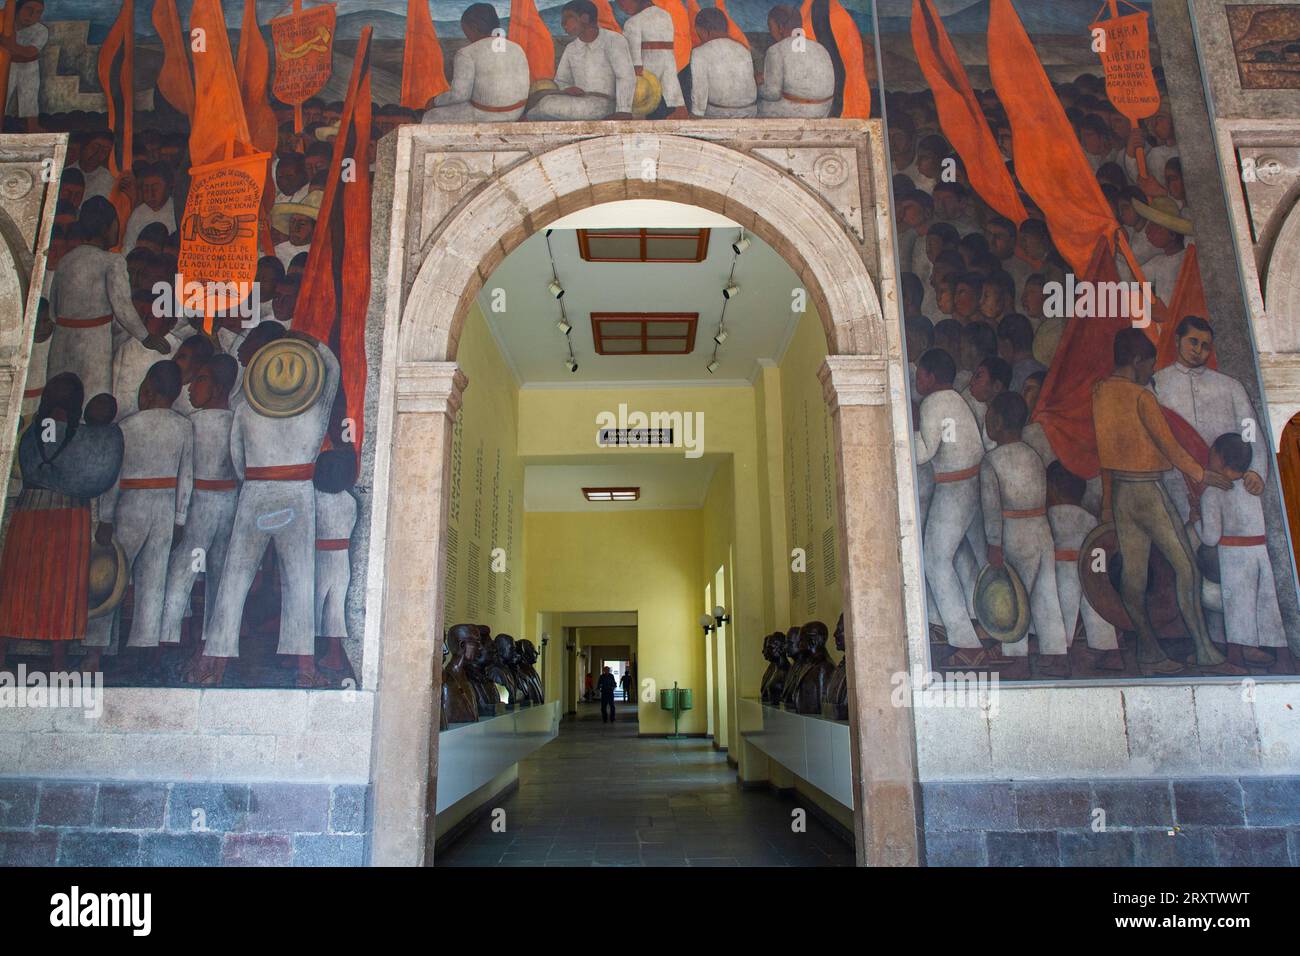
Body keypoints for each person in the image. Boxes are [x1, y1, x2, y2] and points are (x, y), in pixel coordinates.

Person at [1091, 328, 1241, 676]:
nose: (1150, 372)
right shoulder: (1142, 397)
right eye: (1149, 364)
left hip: (1122, 495)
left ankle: (1149, 651)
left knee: (1134, 576)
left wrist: (1106, 501)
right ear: (1137, 360)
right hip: (1149, 492)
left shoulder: (1099, 392)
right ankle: (1203, 648)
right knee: (1186, 567)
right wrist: (1202, 475)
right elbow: (1171, 447)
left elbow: (1104, 454)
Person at [981, 392, 1070, 678]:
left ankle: (1016, 658)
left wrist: (994, 543)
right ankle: (1056, 655)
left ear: (995, 421)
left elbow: (991, 507)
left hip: (1014, 532)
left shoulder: (991, 460)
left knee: (1013, 596)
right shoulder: (1033, 454)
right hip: (1041, 529)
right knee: (1046, 593)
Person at [1196, 433, 1295, 672]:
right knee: (1266, 606)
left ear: (1220, 458)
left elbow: (1211, 537)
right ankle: (1283, 661)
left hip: (1234, 555)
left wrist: (1196, 522)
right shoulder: (1253, 488)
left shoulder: (1213, 493)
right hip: (1259, 552)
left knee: (1237, 608)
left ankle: (1235, 661)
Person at [527, 0, 636, 121]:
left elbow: (625, 76)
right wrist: (567, 89)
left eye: (568, 18)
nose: (563, 24)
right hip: (576, 100)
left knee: (548, 107)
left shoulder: (614, 40)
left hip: (604, 104)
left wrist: (623, 110)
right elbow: (562, 80)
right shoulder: (571, 48)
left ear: (584, 18)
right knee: (546, 101)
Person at [423, 4, 531, 123]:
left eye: (465, 29)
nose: (465, 34)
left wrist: (435, 101)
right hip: (515, 112)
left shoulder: (466, 53)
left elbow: (459, 95)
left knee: (430, 116)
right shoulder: (517, 48)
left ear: (474, 27)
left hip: (486, 114)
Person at [756, 4, 834, 119]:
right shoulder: (820, 48)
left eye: (770, 26)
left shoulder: (775, 49)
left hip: (793, 112)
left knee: (755, 107)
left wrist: (758, 85)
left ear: (780, 27)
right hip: (823, 111)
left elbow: (772, 94)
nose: (770, 31)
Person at [618, 0, 688, 119]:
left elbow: (632, 51)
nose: (622, 7)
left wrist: (636, 69)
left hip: (647, 62)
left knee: (642, 96)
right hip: (667, 58)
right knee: (671, 83)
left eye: (622, 2)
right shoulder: (665, 15)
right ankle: (680, 110)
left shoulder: (633, 22)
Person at [688, 8, 757, 118]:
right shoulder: (743, 49)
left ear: (703, 30)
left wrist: (695, 116)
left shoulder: (699, 53)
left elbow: (699, 93)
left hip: (720, 114)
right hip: (749, 112)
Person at [2, 0, 47, 133]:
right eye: (28, 10)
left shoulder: (40, 30)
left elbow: (30, 52)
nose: (32, 15)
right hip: (6, 66)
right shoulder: (7, 25)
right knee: (4, 93)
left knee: (29, 96)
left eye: (38, 13)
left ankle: (31, 127)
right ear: (18, 9)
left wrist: (10, 46)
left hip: (29, 67)